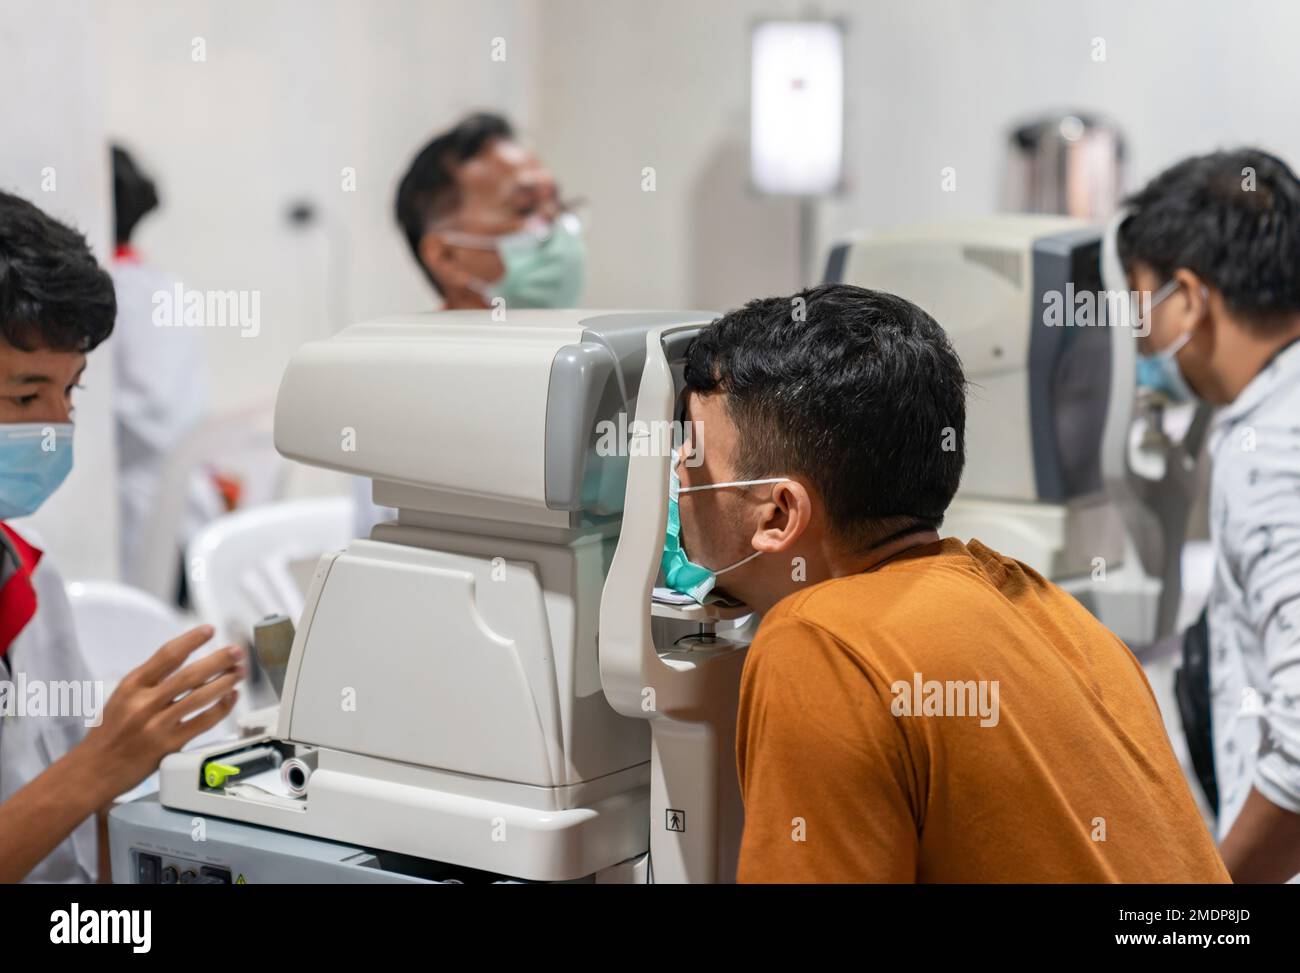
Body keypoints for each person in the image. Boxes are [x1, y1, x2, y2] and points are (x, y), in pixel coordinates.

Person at [668, 282, 1229, 882]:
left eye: (692, 455)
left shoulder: (820, 644)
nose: (675, 471)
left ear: (779, 514)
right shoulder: (1044, 607)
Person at [0, 190, 243, 882]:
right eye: (25, 396)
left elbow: (85, 834)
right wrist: (103, 761)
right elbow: (85, 776)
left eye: (70, 393)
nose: (57, 424)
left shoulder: (29, 577)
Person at [1120, 148, 1300, 883]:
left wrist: (1215, 904)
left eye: (1141, 306)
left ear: (1189, 297)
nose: (1138, 340)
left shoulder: (1268, 451)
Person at [352, 113, 590, 537]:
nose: (558, 230)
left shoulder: (575, 360)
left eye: (557, 205)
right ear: (446, 257)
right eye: (525, 208)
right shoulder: (406, 385)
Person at [109, 144, 211, 590]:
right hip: (180, 505)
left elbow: (150, 408)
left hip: (147, 512)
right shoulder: (163, 286)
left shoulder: (119, 291)